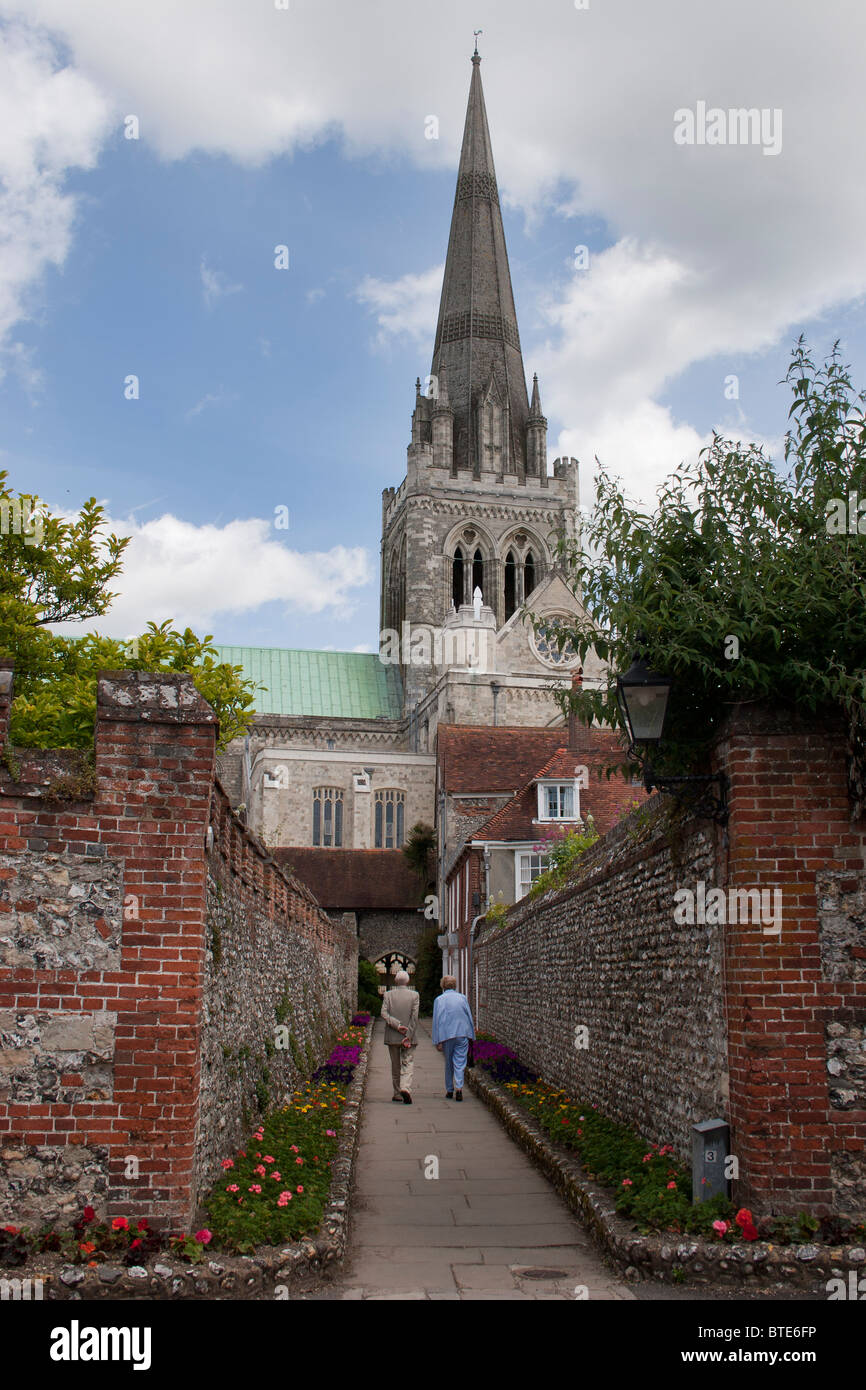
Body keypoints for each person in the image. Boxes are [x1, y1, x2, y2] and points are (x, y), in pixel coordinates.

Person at [432, 975, 475, 1101]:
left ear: (443, 985)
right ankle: (459, 1088)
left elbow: (436, 1021)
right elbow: (469, 1016)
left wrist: (437, 1041)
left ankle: (450, 1090)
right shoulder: (462, 998)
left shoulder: (439, 1000)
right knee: (460, 1062)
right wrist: (472, 1035)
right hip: (462, 1034)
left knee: (449, 1062)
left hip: (447, 1035)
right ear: (454, 985)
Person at [380, 969, 419, 1104]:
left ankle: (397, 1093)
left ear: (395, 981)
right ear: (408, 981)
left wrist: (397, 1025)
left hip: (393, 1035)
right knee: (408, 1062)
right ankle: (405, 1088)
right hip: (409, 1037)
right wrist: (408, 1034)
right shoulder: (414, 996)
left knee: (395, 1065)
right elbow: (414, 1018)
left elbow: (384, 1014)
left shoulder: (388, 995)